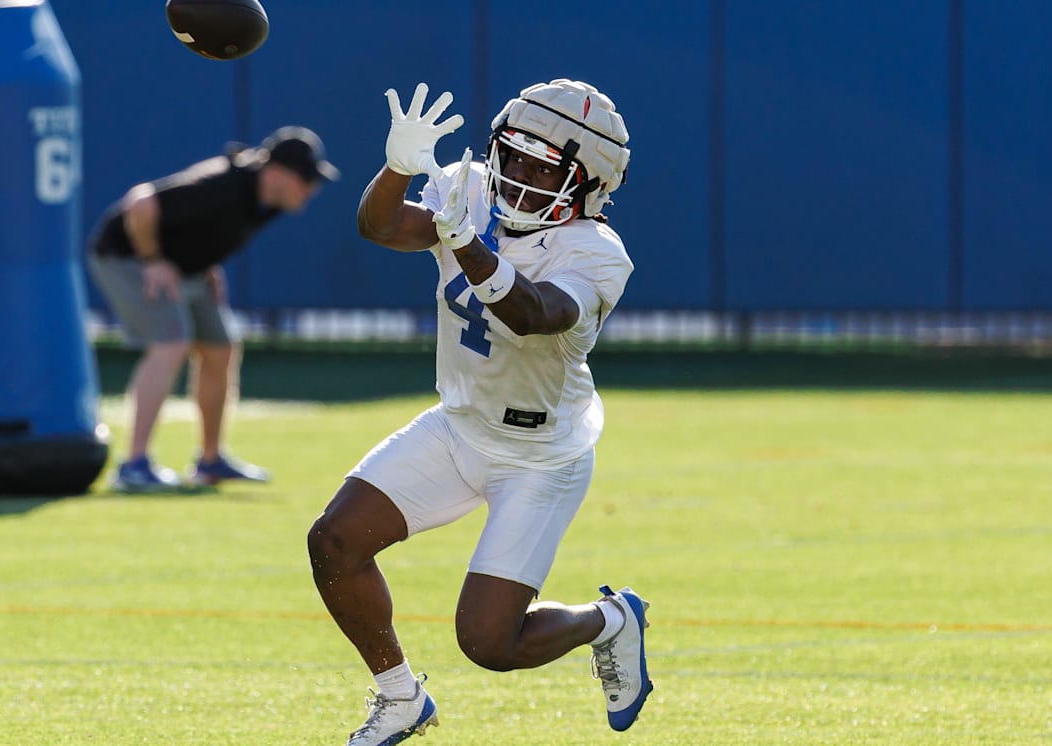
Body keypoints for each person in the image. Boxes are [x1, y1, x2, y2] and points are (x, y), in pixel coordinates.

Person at [307, 80, 650, 744]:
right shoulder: (469, 190)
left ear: (586, 184)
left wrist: (467, 241)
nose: (518, 177)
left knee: (489, 642)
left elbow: (533, 313)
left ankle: (607, 620)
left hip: (541, 457)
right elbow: (379, 225)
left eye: (541, 167)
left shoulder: (598, 253)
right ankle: (400, 697)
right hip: (460, 425)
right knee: (334, 541)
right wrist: (399, 167)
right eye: (512, 157)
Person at [86, 127, 337, 492]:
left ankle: (211, 461)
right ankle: (133, 465)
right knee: (170, 345)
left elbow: (202, 229)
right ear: (277, 173)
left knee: (221, 348)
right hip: (126, 256)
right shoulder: (222, 184)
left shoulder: (270, 200)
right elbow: (140, 203)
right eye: (306, 179)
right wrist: (152, 259)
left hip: (185, 267)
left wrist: (204, 262)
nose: (311, 189)